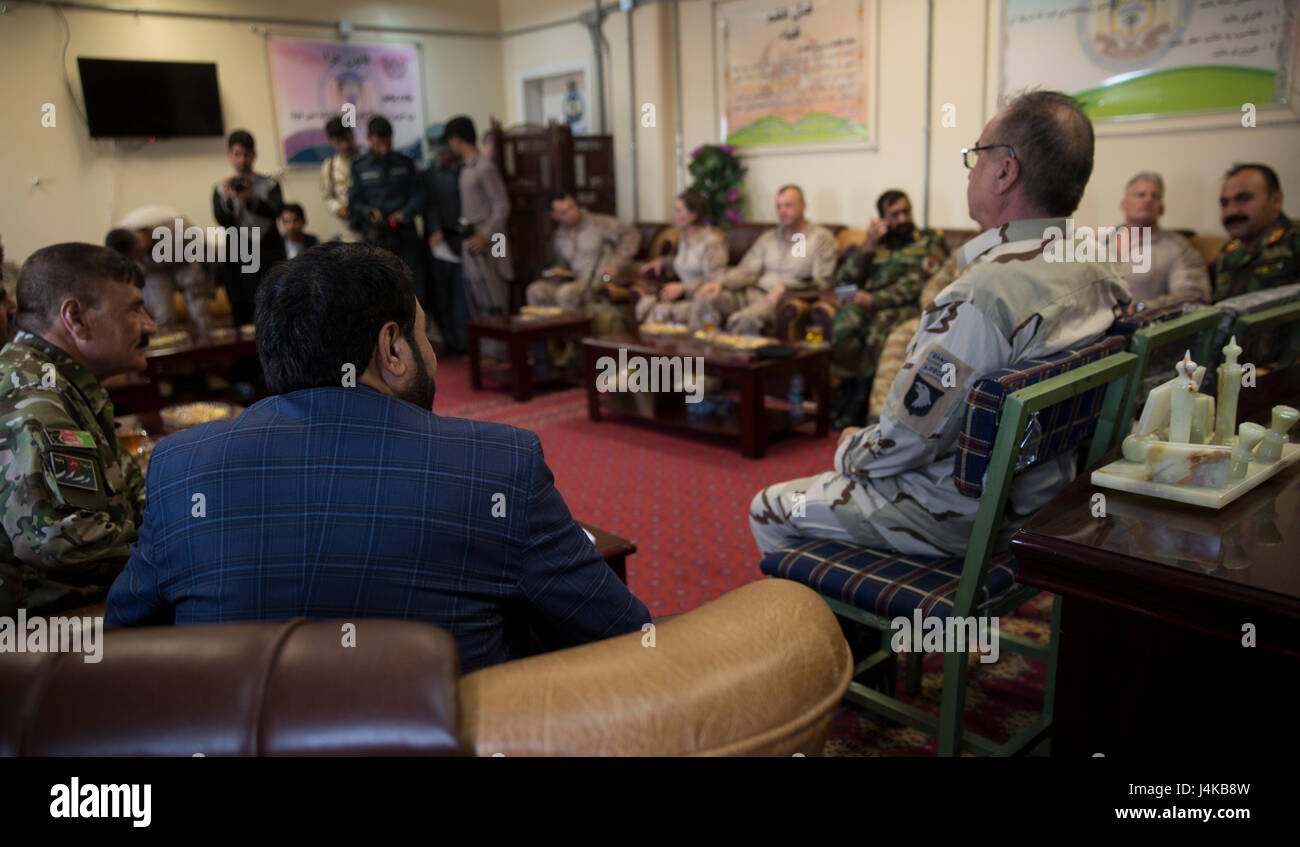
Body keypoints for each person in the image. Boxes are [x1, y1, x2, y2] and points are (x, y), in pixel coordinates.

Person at [105, 243, 651, 673]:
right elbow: (624, 635)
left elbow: (125, 636)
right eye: (423, 335)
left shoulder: (180, 464)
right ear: (391, 349)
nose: (432, 352)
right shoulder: (498, 464)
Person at [750, 91, 1129, 559]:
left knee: (767, 506)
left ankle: (857, 628)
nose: (970, 170)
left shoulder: (984, 295)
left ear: (1006, 171)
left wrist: (848, 449)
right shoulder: (1101, 269)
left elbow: (907, 439)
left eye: (976, 157)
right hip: (1055, 496)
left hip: (968, 513)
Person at [0, 243, 156, 616]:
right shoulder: (35, 398)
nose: (150, 325)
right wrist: (178, 544)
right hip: (51, 627)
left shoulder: (56, 379)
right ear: (76, 318)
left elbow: (126, 492)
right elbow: (58, 540)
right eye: (134, 308)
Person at [822, 189, 950, 428]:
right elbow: (843, 282)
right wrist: (868, 247)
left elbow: (918, 284)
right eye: (894, 214)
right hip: (871, 305)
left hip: (908, 308)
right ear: (882, 218)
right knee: (846, 320)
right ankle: (848, 391)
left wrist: (873, 299)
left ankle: (862, 399)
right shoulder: (877, 245)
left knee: (881, 326)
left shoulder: (929, 241)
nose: (902, 219)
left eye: (906, 211)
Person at [693, 185, 837, 335]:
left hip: (779, 301)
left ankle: (728, 356)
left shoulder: (820, 238)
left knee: (743, 319)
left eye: (788, 205)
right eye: (778, 207)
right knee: (705, 302)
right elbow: (746, 270)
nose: (782, 211)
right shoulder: (769, 237)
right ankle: (698, 355)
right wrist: (720, 283)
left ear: (803, 206)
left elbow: (824, 281)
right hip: (751, 294)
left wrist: (787, 287)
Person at [348, 116, 427, 308]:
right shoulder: (359, 166)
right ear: (369, 138)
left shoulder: (405, 163)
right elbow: (353, 204)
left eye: (387, 143)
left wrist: (405, 212)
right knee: (378, 288)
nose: (383, 148)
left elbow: (419, 196)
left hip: (405, 234)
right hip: (376, 237)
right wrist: (368, 211)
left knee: (414, 288)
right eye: (378, 144)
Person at [443, 116, 512, 330]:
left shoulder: (484, 167)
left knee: (495, 298)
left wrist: (485, 235)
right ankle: (488, 351)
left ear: (457, 139)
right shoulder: (464, 167)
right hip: (471, 241)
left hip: (491, 242)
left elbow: (502, 207)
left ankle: (501, 351)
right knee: (477, 296)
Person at [1099, 171, 1209, 304]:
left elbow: (1194, 295)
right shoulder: (1099, 242)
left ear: (1161, 206)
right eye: (1141, 195)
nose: (1148, 199)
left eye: (1155, 196)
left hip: (1145, 322)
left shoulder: (1176, 246)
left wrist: (1143, 308)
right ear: (1124, 203)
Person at [212, 129, 285, 327]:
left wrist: (252, 198)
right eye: (237, 154)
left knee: (273, 312)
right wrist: (227, 200)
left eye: (246, 154)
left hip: (267, 255)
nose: (242, 160)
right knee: (242, 314)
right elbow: (222, 219)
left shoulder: (270, 184)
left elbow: (277, 211)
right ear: (229, 155)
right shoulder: (221, 188)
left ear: (254, 155)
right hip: (238, 258)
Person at [526, 192, 639, 313]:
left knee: (565, 293)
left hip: (601, 279)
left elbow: (631, 234)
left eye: (572, 207)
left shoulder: (598, 223)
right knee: (535, 290)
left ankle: (574, 331)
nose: (572, 213)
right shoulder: (559, 237)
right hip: (576, 281)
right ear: (555, 216)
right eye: (564, 212)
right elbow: (563, 265)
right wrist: (558, 275)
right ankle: (546, 330)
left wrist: (616, 265)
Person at [115, 206, 216, 334]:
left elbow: (204, 251)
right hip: (154, 270)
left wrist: (208, 281)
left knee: (199, 309)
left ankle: (205, 341)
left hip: (186, 260)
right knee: (163, 314)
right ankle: (167, 346)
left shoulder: (176, 225)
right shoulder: (121, 237)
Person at [636, 190, 727, 327]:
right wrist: (662, 262)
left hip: (700, 300)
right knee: (644, 304)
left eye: (679, 211)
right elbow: (686, 262)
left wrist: (683, 288)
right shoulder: (683, 238)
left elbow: (716, 279)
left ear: (693, 215)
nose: (674, 215)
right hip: (681, 296)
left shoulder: (711, 242)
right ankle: (632, 347)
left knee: (659, 312)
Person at [1211, 163, 1299, 300]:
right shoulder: (1227, 254)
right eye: (1224, 203)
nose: (1231, 211)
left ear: (1276, 201)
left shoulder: (1294, 240)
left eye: (1243, 199)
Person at [421, 123, 468, 353]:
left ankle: (463, 341)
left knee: (462, 293)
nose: (442, 154)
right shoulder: (430, 172)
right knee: (441, 294)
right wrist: (434, 228)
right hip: (439, 241)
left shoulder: (464, 167)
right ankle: (449, 340)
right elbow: (429, 204)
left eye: (445, 149)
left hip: (462, 237)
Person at [320, 116, 362, 243]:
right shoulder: (329, 166)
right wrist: (338, 208)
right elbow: (327, 197)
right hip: (346, 229)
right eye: (339, 141)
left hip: (370, 226)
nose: (345, 145)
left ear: (352, 135)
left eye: (347, 139)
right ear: (332, 142)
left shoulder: (367, 161)